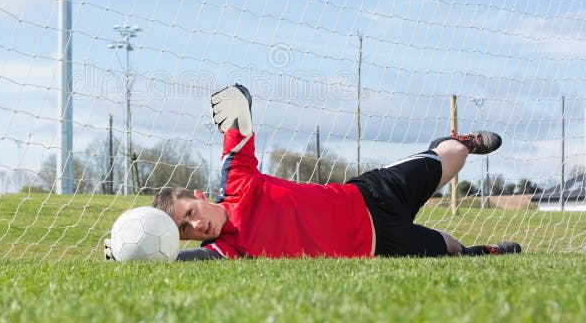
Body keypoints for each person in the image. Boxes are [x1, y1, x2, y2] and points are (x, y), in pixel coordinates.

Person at [108, 84, 521, 261]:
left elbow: (238, 130)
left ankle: (460, 141)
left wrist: (239, 99)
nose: (195, 225)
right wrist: (129, 253)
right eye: (185, 229)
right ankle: (484, 252)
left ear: (198, 196)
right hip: (384, 244)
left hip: (371, 194)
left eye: (188, 213)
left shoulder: (237, 184)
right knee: (449, 248)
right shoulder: (225, 252)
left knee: (451, 157)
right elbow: (175, 260)